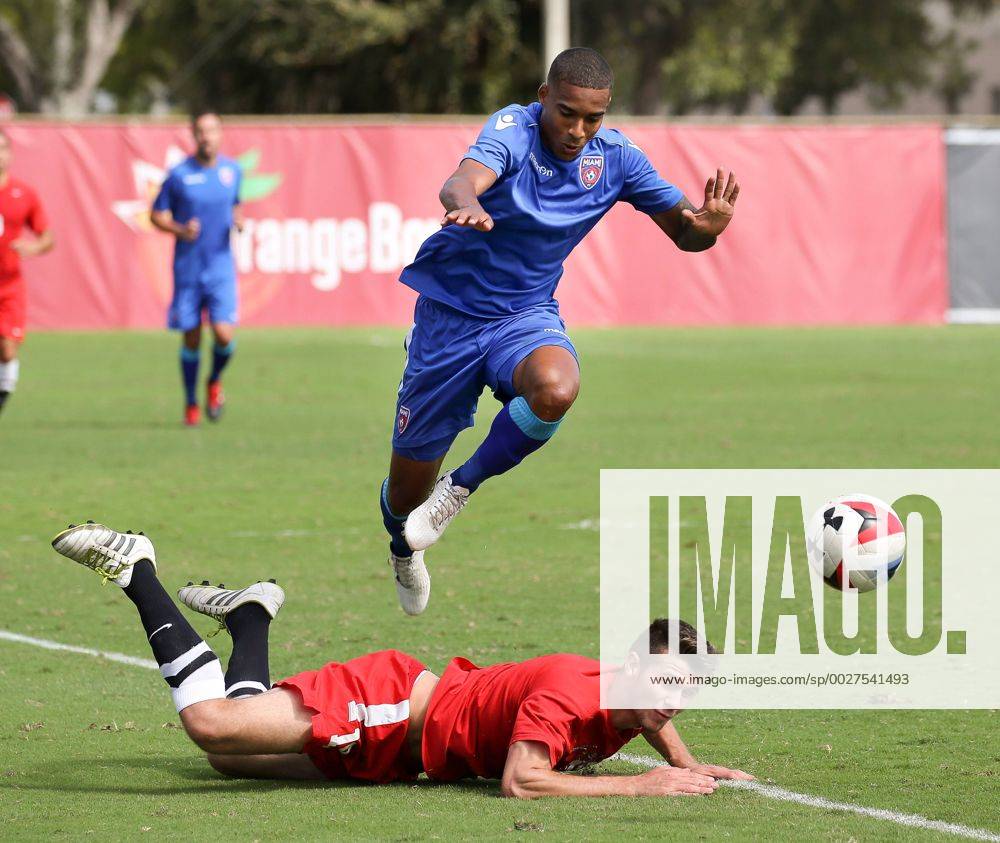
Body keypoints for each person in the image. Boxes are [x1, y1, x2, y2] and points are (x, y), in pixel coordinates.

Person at [381, 48, 740, 614]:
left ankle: (460, 489)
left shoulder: (618, 159)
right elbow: (458, 183)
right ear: (543, 96)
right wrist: (469, 203)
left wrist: (709, 229)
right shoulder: (512, 130)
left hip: (523, 316)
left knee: (556, 387)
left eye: (591, 119)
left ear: (606, 113)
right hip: (449, 318)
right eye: (567, 112)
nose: (577, 130)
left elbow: (686, 234)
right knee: (404, 495)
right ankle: (402, 548)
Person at [50, 521, 752, 796]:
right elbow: (522, 780)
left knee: (228, 759)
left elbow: (652, 708)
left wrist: (686, 760)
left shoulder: (637, 696)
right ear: (630, 664)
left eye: (685, 690)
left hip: (400, 753)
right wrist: (643, 786)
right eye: (665, 680)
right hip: (385, 703)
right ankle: (139, 570)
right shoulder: (572, 691)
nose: (671, 701)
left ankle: (251, 615)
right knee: (210, 725)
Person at [151, 111, 243, 426]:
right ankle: (191, 402)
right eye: (201, 131)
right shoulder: (179, 175)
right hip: (188, 269)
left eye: (212, 130)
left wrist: (238, 218)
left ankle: (214, 381)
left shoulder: (232, 171)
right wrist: (179, 229)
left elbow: (235, 205)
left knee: (223, 334)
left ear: (220, 134)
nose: (207, 137)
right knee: (191, 338)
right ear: (193, 135)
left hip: (220, 268)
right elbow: (156, 215)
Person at [0, 129, 54, 416]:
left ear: (10, 154)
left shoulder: (24, 194)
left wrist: (33, 248)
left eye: (2, 148)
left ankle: (5, 388)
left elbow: (48, 237)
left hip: (9, 285)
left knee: (8, 349)